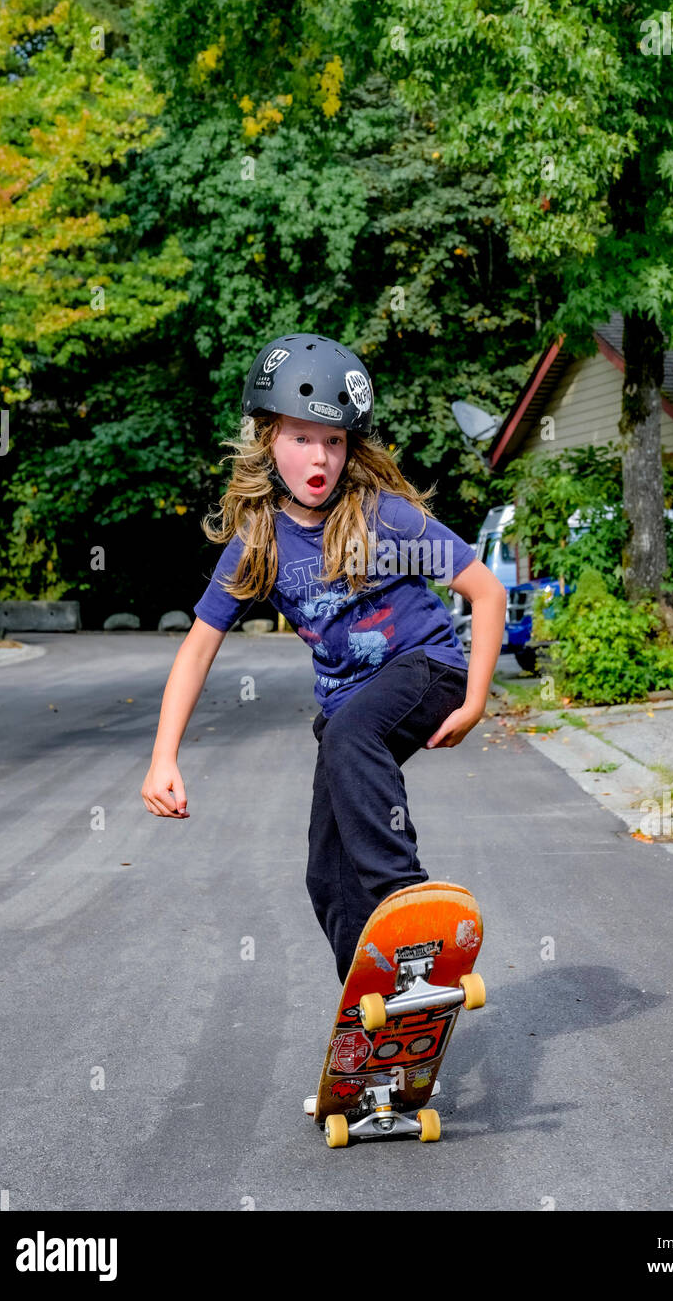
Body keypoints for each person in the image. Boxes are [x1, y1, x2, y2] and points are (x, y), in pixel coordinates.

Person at [141, 332, 507, 988]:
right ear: (268, 441)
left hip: (428, 671)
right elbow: (197, 647)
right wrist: (164, 757)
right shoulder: (260, 542)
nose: (320, 457)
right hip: (350, 714)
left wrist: (476, 699)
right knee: (328, 871)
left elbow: (486, 589)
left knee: (349, 733)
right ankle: (382, 1016)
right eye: (302, 438)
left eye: (334, 441)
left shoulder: (383, 517)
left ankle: (408, 902)